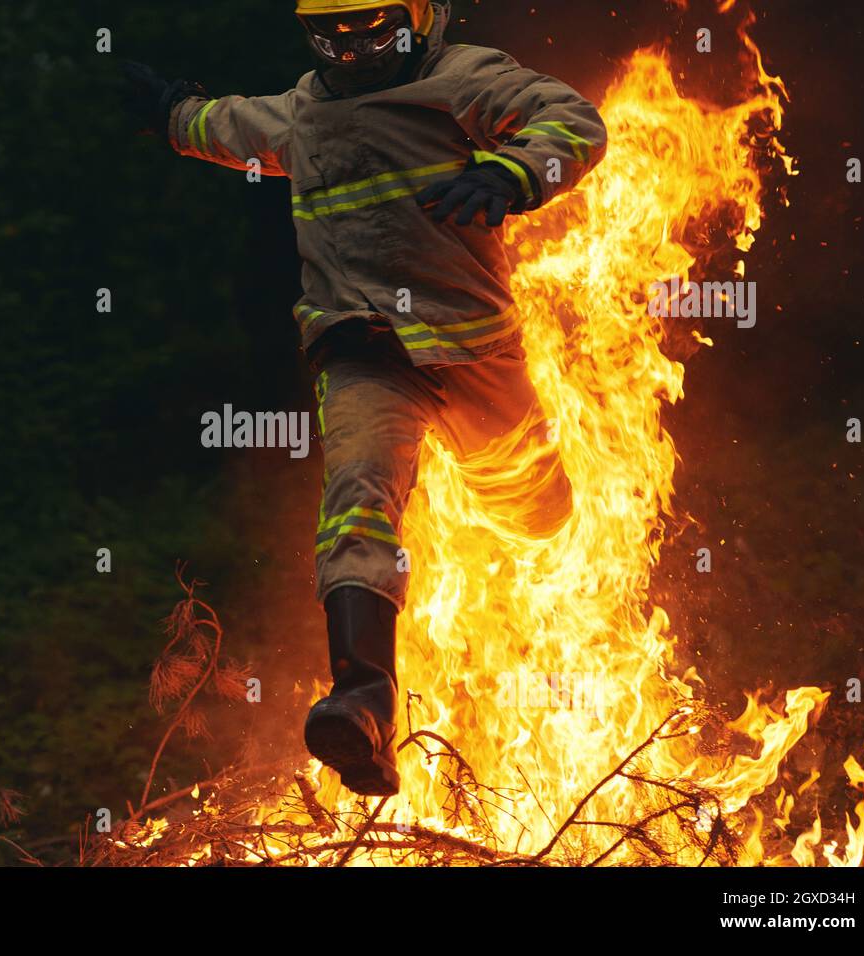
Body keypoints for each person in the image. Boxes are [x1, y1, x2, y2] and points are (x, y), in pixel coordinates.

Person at [123, 1, 606, 796]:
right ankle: (362, 696)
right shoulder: (306, 111)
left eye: (374, 30)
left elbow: (572, 119)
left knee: (536, 515)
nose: (352, 49)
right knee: (357, 497)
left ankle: (549, 620)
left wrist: (515, 170)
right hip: (362, 351)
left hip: (472, 348)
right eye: (333, 33)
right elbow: (233, 126)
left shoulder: (461, 78)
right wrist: (175, 113)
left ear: (422, 18)